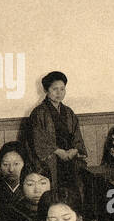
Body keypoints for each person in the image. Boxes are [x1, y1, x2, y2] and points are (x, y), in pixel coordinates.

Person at [26, 71, 87, 208]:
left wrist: (75, 150)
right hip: (50, 162)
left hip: (70, 160)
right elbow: (37, 140)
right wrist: (58, 151)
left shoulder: (69, 112)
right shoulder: (38, 113)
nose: (59, 93)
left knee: (74, 189)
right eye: (54, 89)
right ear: (46, 90)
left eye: (62, 89)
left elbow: (76, 135)